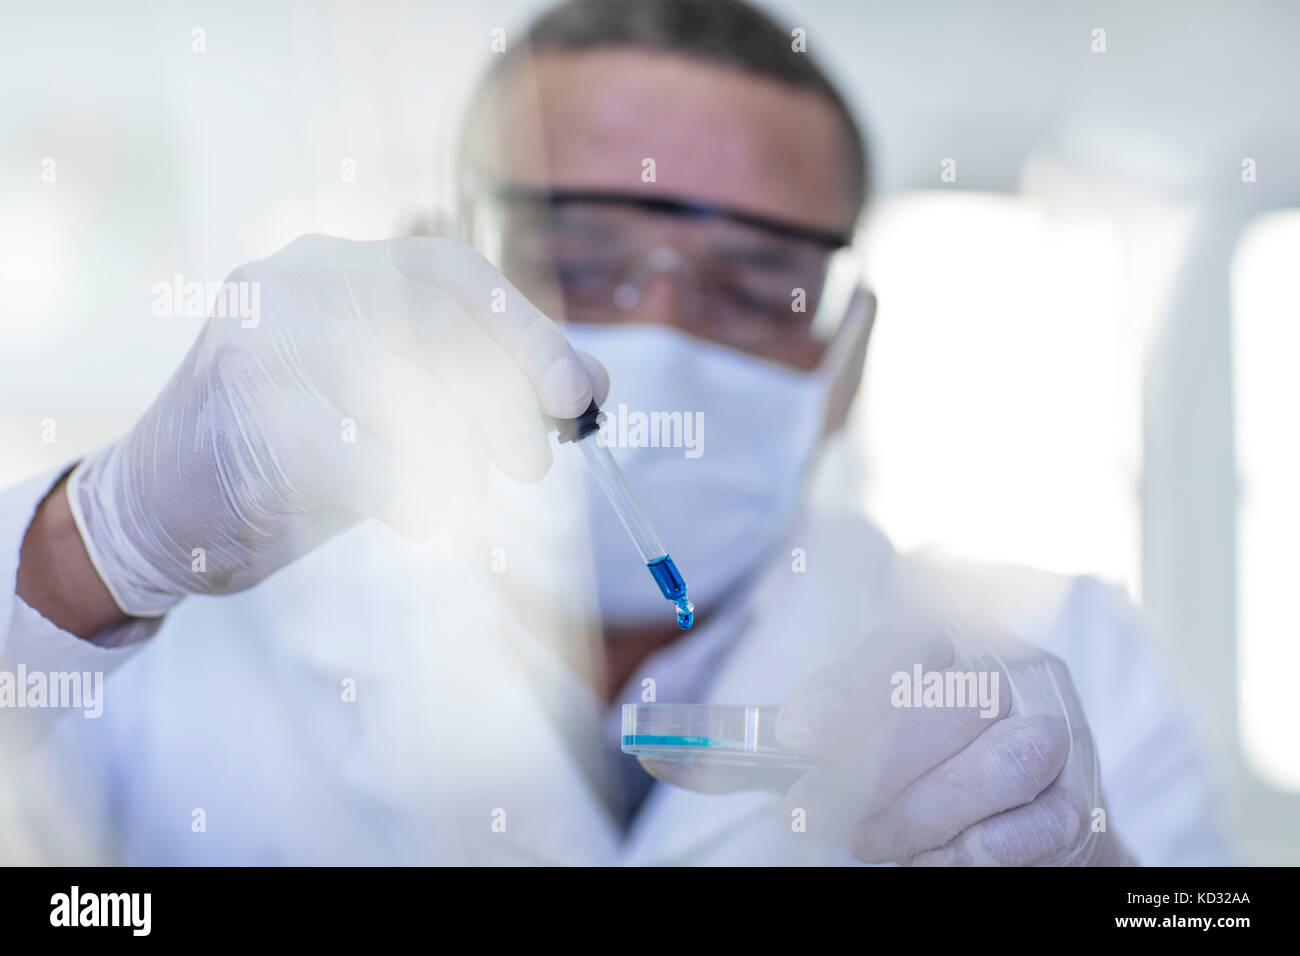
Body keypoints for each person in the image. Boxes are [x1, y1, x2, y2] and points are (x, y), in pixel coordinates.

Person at [0, 0, 1230, 865]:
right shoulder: (191, 642)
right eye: (576, 256)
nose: (658, 326)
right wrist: (97, 548)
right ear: (437, 257)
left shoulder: (1049, 664)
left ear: (846, 362)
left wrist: (1079, 870)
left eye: (755, 286)